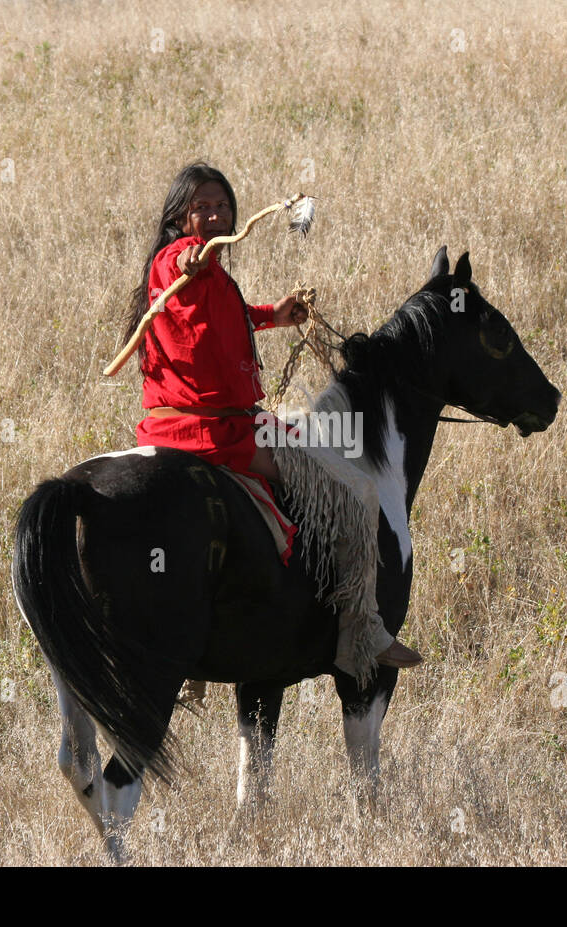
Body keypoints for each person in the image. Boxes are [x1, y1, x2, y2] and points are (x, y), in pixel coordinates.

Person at [120, 163, 423, 698]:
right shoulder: (178, 263)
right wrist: (187, 257)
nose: (213, 214)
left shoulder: (212, 275)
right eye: (201, 207)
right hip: (218, 434)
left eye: (221, 205)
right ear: (179, 217)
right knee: (356, 489)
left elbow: (218, 317)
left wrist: (273, 316)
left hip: (175, 427)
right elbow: (177, 270)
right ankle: (363, 628)